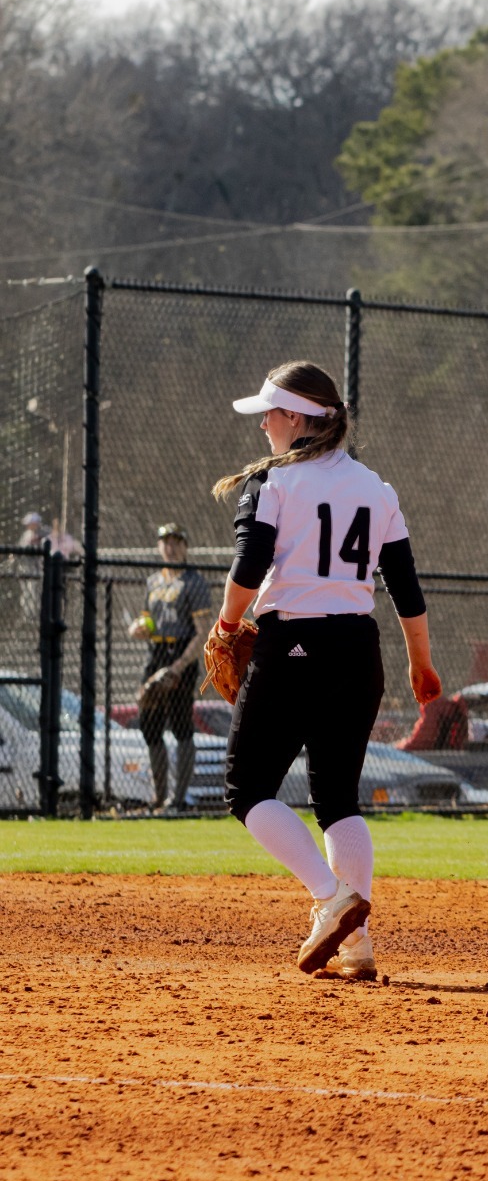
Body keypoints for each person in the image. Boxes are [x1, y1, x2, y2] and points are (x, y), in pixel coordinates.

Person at [206, 361, 441, 981]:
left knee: (246, 787)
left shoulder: (273, 483)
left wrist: (227, 626)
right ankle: (357, 944)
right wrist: (421, 661)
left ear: (299, 419)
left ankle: (330, 897)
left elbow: (250, 566)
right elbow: (406, 588)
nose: (263, 424)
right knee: (337, 797)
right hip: (359, 649)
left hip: (296, 644)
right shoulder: (376, 487)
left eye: (271, 413)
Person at [129, 523, 213, 812]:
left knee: (180, 724)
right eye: (165, 541)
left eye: (177, 541)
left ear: (185, 546)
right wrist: (137, 629)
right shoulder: (153, 581)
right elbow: (146, 620)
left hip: (181, 654)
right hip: (156, 653)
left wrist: (178, 666)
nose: (170, 546)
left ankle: (178, 799)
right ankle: (158, 796)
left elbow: (202, 631)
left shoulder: (194, 582)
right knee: (149, 722)